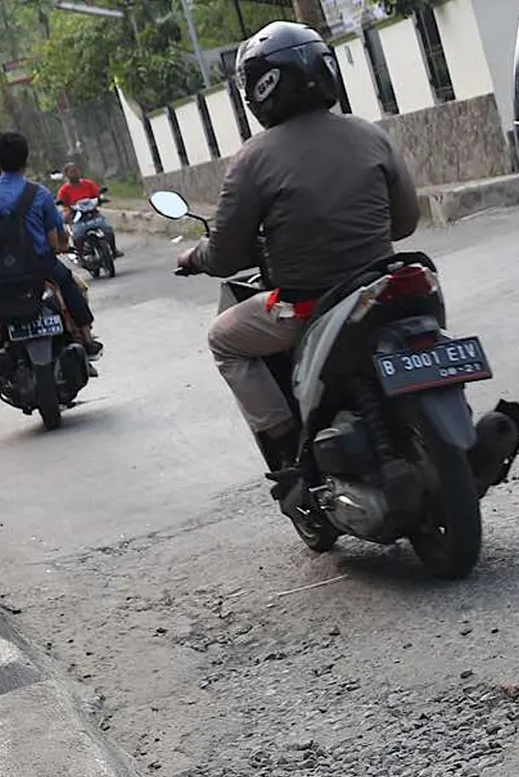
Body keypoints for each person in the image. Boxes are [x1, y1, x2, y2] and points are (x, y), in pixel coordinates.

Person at [177, 21, 419, 487]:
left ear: (260, 89)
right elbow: (405, 222)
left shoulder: (253, 159)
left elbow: (226, 256)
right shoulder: (369, 133)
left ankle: (291, 451)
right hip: (382, 286)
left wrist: (194, 257)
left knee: (223, 339)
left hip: (307, 305)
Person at [0, 130, 99, 370]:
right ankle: (87, 338)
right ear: (26, 160)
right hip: (41, 268)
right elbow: (55, 242)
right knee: (68, 282)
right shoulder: (40, 194)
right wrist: (58, 246)